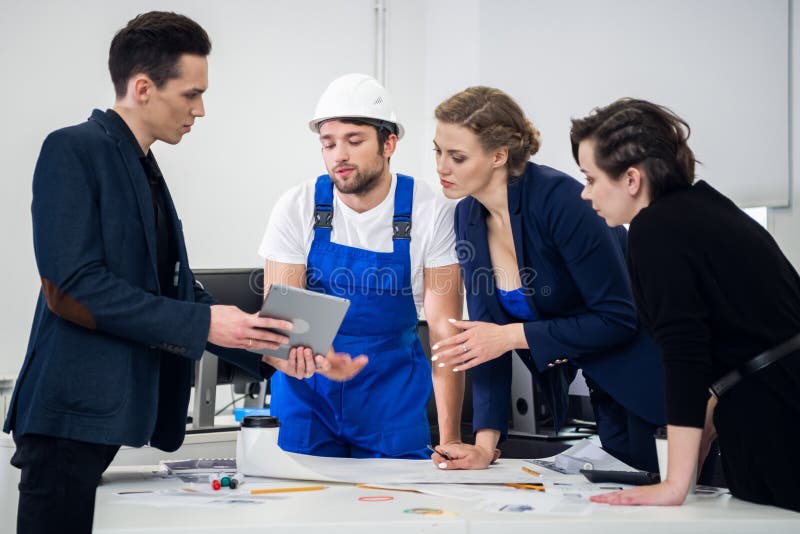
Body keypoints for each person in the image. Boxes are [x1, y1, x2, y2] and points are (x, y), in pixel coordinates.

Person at [2, 12, 362, 534]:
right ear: (143, 88)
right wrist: (205, 324)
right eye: (191, 94)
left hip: (103, 421)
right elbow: (72, 288)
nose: (200, 110)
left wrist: (272, 348)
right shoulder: (73, 149)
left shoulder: (141, 165)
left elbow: (175, 290)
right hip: (67, 417)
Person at [572, 98, 800, 511]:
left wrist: (674, 484)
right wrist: (710, 413)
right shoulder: (704, 208)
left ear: (631, 179)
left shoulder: (654, 228)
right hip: (774, 394)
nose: (585, 194)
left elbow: (685, 356)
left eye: (590, 179)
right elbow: (738, 334)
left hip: (774, 413)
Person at [428, 86, 665, 472]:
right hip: (600, 387)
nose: (442, 167)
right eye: (437, 151)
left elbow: (618, 317)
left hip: (651, 379)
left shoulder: (561, 201)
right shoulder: (467, 216)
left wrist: (511, 336)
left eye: (457, 157)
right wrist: (484, 446)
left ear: (499, 155)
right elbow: (483, 340)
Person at [258, 73, 464, 459]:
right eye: (328, 143)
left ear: (389, 144)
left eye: (354, 141)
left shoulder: (430, 210)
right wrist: (303, 358)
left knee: (398, 496)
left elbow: (444, 336)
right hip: (307, 400)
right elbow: (280, 334)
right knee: (299, 494)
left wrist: (450, 438)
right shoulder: (297, 206)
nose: (339, 155)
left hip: (392, 401)